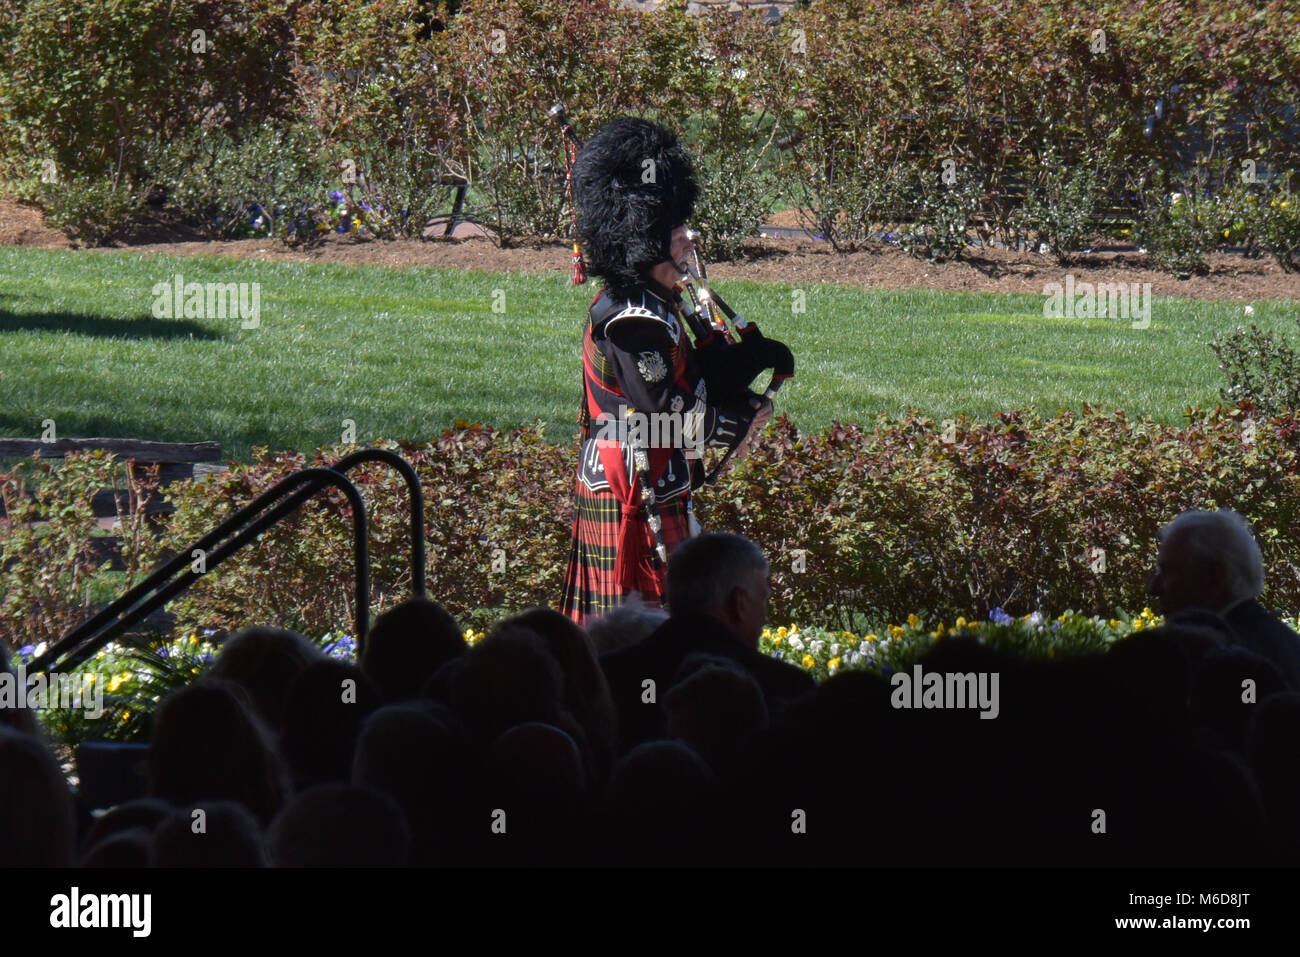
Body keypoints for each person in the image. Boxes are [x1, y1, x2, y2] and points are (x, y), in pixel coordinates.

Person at [560, 116, 771, 624]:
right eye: (678, 233)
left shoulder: (658, 301)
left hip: (655, 475)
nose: (690, 240)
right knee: (627, 631)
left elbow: (686, 382)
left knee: (660, 629)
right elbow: (665, 410)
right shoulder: (633, 319)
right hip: (628, 485)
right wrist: (736, 421)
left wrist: (738, 386)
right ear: (647, 240)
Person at [1147, 509, 1300, 690]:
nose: (1153, 588)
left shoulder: (1214, 656)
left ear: (1214, 576)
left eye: (1168, 572)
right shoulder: (1287, 645)